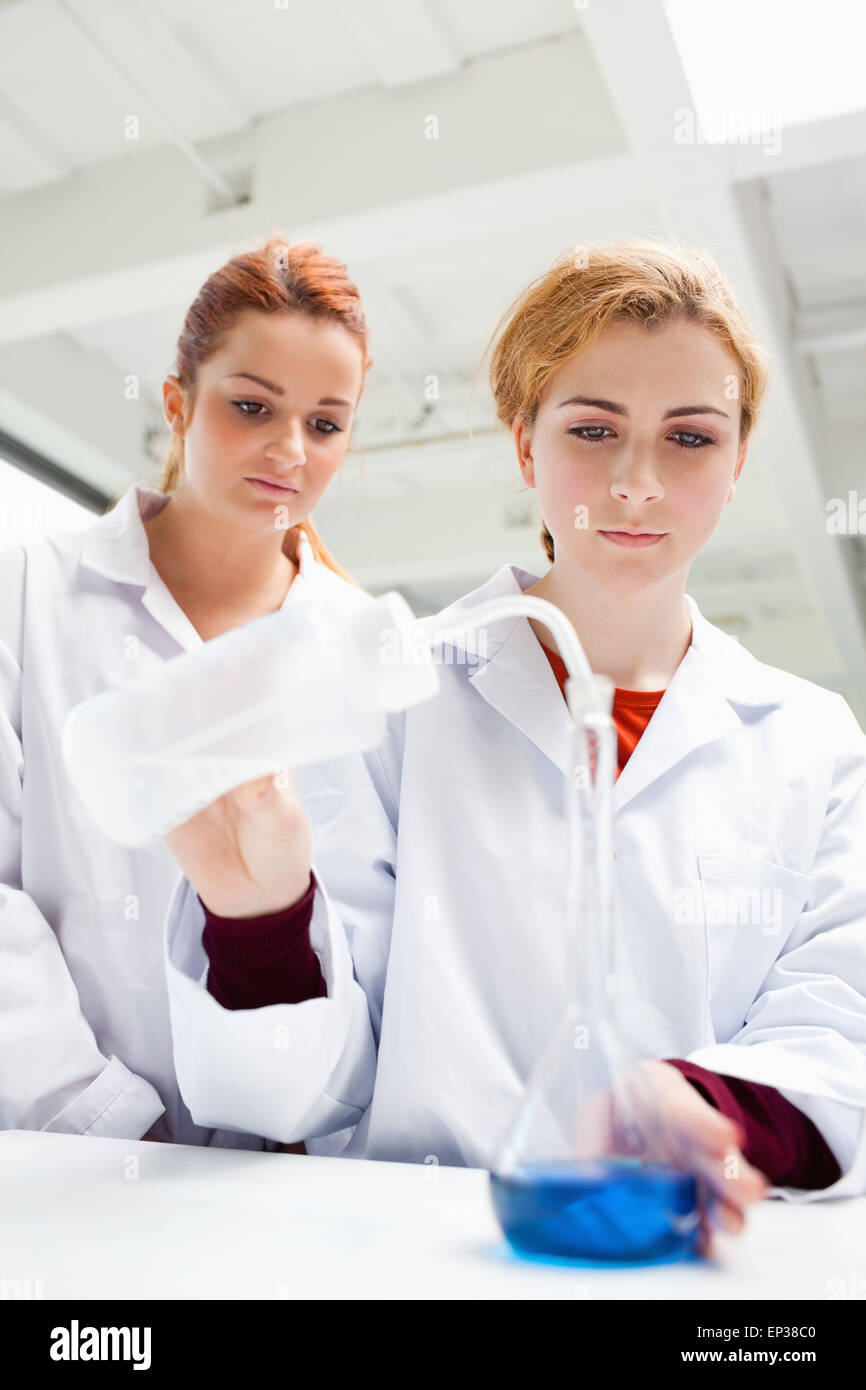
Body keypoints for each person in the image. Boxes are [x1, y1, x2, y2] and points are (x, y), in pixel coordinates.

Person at [159, 239, 866, 1250]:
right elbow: (283, 1096)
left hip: (673, 1250)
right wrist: (258, 918)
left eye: (689, 438)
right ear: (527, 446)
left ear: (738, 460)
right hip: (406, 1254)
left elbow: (839, 1023)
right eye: (591, 428)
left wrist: (707, 1105)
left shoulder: (810, 744)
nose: (634, 482)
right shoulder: (393, 696)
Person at [0, 235, 373, 1146]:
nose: (290, 449)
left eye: (325, 423)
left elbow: (371, 943)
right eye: (252, 407)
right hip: (59, 1155)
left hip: (296, 1174)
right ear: (177, 404)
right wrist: (108, 1125)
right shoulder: (29, 599)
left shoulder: (358, 654)